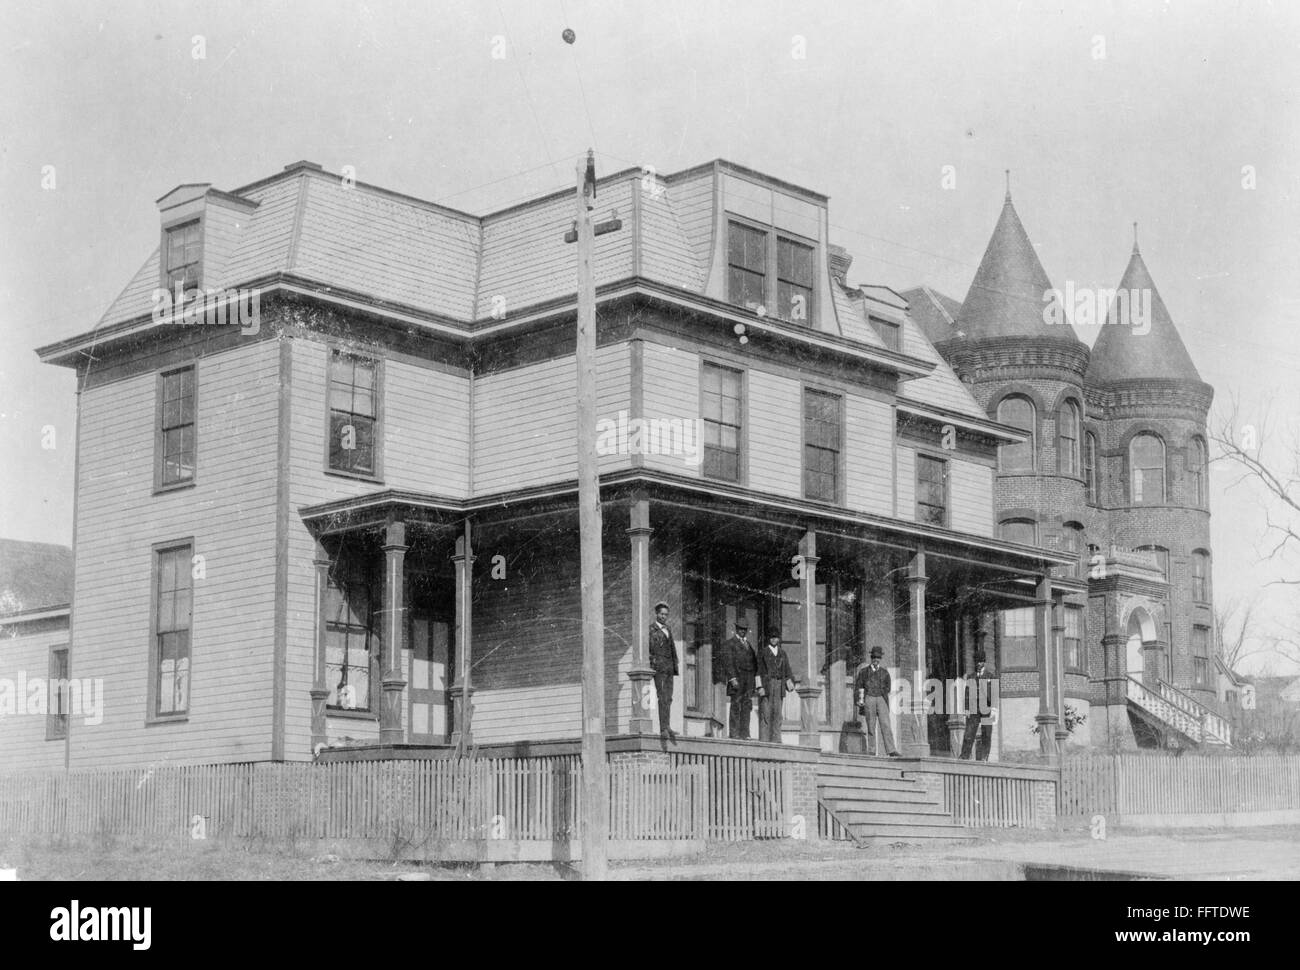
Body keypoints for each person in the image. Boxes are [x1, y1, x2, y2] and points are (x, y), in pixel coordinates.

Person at [855, 646, 900, 757]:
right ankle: (871, 750)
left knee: (886, 724)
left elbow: (888, 687)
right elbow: (859, 686)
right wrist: (860, 700)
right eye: (874, 657)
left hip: (881, 699)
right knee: (871, 726)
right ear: (871, 657)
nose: (876, 659)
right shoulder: (864, 672)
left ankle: (891, 750)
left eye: (878, 657)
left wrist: (881, 692)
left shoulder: (884, 673)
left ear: (881, 658)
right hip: (869, 698)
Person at [720, 621, 759, 739]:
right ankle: (734, 733)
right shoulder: (730, 644)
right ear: (736, 629)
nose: (743, 631)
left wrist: (753, 682)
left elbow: (754, 665)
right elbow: (728, 662)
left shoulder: (748, 645)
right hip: (737, 680)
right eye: (740, 628)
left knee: (747, 706)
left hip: (748, 681)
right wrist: (732, 678)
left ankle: (745, 733)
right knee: (736, 705)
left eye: (745, 629)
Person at [755, 632, 795, 743]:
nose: (773, 639)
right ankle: (764, 739)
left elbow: (787, 670)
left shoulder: (782, 653)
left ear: (779, 639)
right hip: (766, 685)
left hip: (779, 685)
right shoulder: (763, 652)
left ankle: (776, 739)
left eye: (776, 637)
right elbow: (758, 671)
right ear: (768, 638)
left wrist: (790, 682)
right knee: (766, 712)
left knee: (777, 713)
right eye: (771, 637)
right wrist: (759, 687)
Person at [648, 601, 678, 739]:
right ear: (656, 614)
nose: (663, 617)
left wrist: (674, 666)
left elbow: (672, 650)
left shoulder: (668, 629)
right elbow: (650, 649)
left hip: (669, 668)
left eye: (666, 614)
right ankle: (663, 728)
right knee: (662, 697)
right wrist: (654, 663)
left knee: (669, 697)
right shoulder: (651, 629)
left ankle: (668, 726)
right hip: (659, 668)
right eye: (661, 614)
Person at [959, 650, 994, 761]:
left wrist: (993, 708)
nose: (978, 664)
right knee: (969, 733)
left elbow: (994, 693)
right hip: (974, 707)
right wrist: (966, 708)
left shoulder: (990, 676)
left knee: (986, 733)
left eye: (980, 662)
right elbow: (967, 693)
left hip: (986, 708)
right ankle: (964, 756)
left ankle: (984, 757)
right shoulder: (971, 677)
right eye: (977, 662)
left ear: (984, 662)